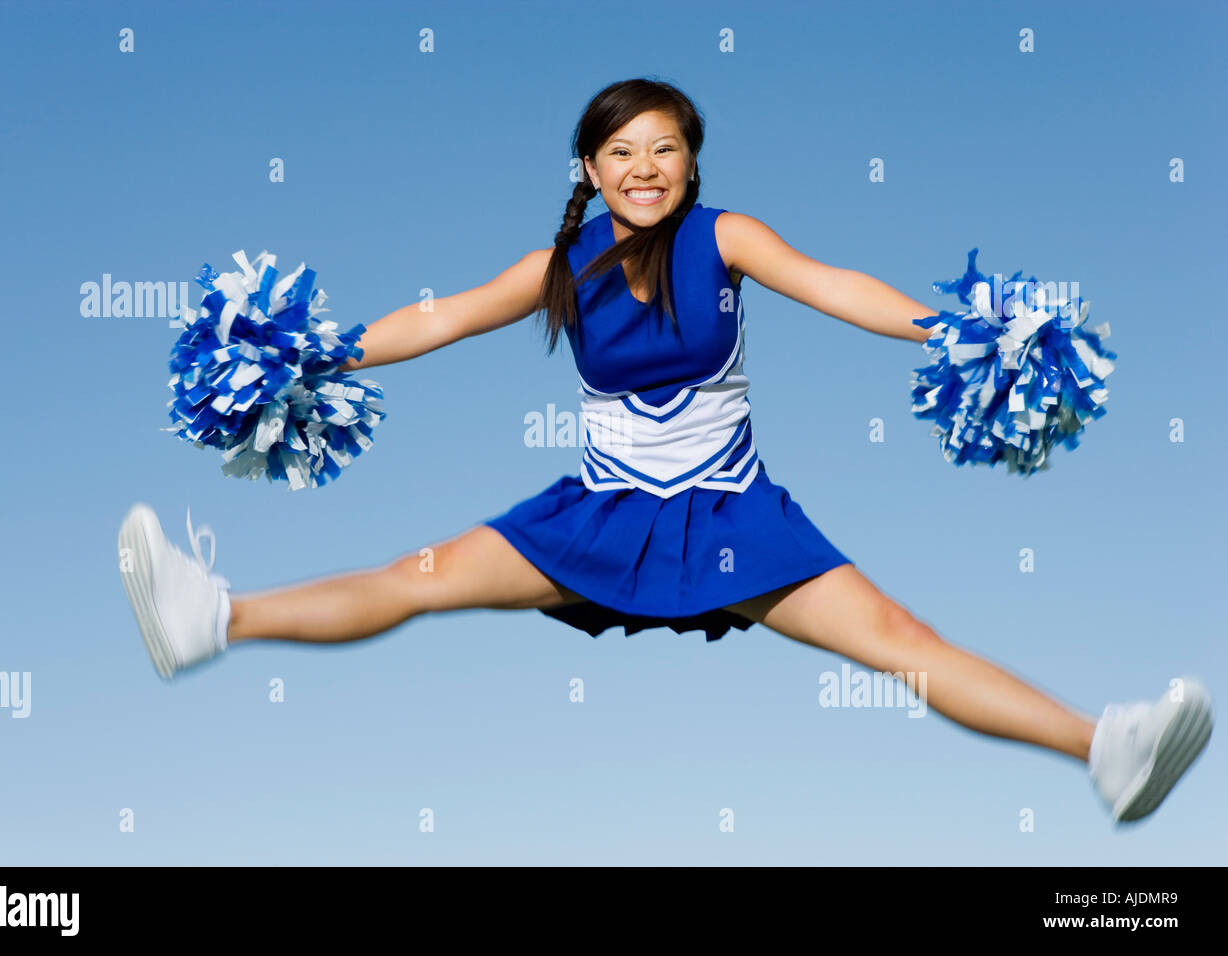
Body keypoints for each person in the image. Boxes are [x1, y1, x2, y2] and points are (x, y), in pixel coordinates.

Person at [118, 78, 1212, 826]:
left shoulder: (726, 238)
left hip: (734, 518)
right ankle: (211, 617)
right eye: (621, 151)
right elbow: (437, 317)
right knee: (424, 578)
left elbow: (836, 286)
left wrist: (951, 330)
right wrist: (311, 356)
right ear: (590, 168)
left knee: (898, 639)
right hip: (600, 510)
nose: (644, 167)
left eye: (664, 149)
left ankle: (1101, 750)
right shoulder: (561, 263)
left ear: (690, 162)